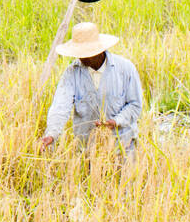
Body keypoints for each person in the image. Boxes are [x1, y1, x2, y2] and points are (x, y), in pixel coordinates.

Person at [41, 21, 142, 160]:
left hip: (123, 147)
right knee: (90, 180)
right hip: (88, 150)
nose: (81, 57)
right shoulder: (72, 73)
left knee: (124, 180)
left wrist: (116, 121)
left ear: (99, 51)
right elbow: (60, 107)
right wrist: (51, 134)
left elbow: (135, 105)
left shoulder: (125, 69)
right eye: (78, 53)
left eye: (85, 53)